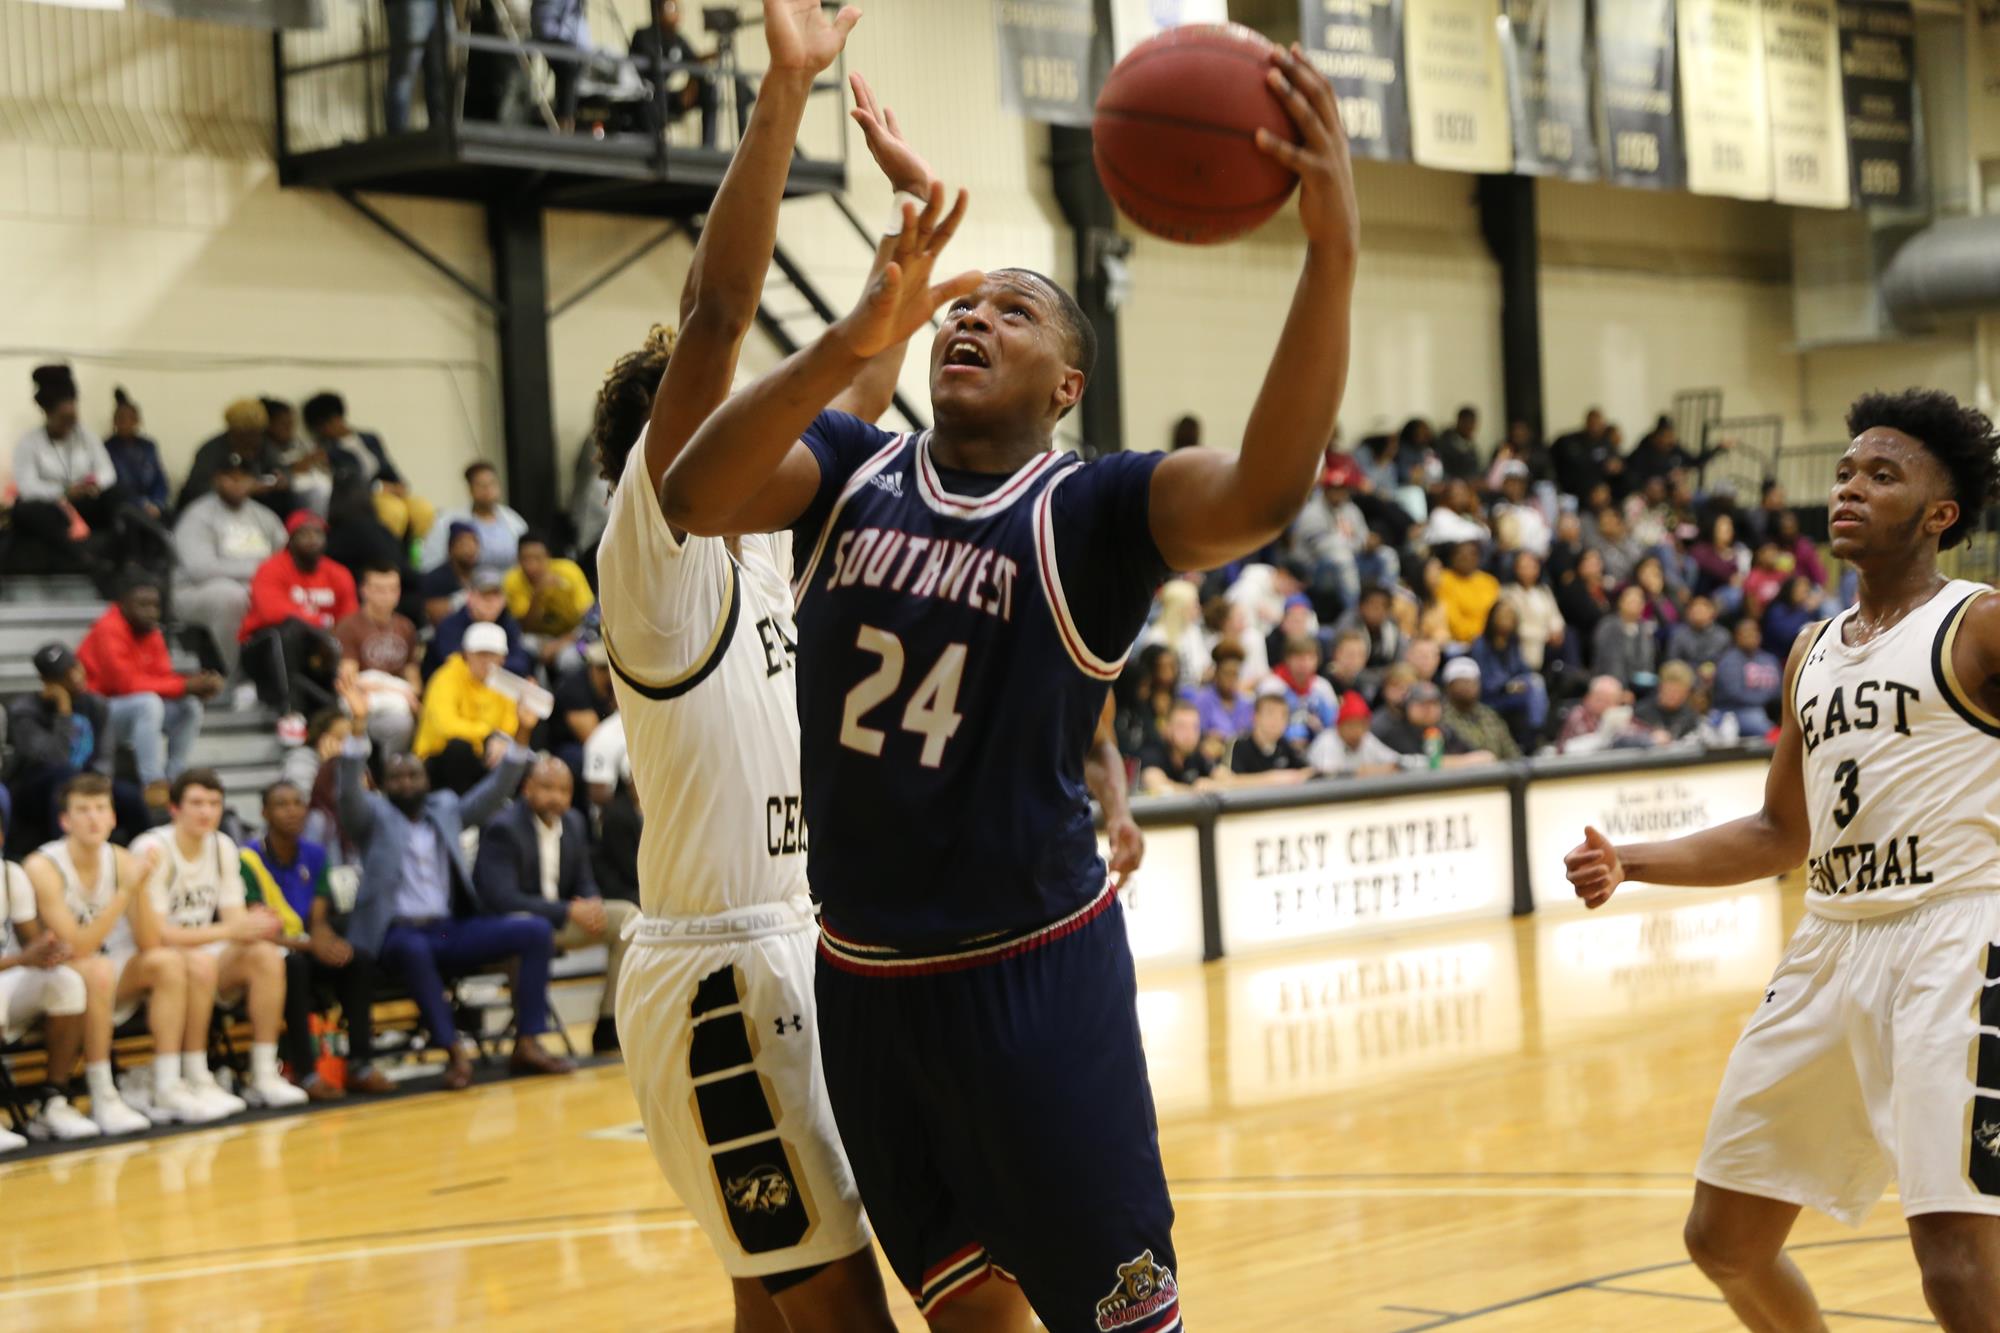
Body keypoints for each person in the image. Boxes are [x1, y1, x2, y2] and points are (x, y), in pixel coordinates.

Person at [646, 0, 1317, 1313]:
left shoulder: (1091, 506)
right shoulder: (851, 467)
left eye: (1016, 313)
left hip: (1030, 971)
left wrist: (1330, 248)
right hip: (863, 981)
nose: (976, 321)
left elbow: (1252, 498)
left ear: (1068, 387)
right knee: (966, 1314)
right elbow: (691, 489)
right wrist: (860, 331)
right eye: (966, 307)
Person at [1562, 389, 2000, 1333]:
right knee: (1724, 1239)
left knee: (1957, 1268)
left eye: (1882, 475)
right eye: (1844, 472)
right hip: (1829, 943)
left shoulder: (1980, 624)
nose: (1849, 488)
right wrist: (1630, 861)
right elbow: (1777, 833)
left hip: (1956, 943)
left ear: (1941, 513)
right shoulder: (1811, 650)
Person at [333, 730, 567, 1088]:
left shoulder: (444, 808)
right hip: (397, 933)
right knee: (414, 949)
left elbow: (492, 794)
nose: (406, 783)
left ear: (427, 780)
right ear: (383, 784)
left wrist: (521, 738)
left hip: (446, 930)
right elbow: (349, 794)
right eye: (396, 777)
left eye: (413, 775)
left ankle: (528, 1042)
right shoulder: (373, 818)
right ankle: (455, 1052)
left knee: (536, 930)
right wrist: (357, 729)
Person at [25, 774, 221, 1125]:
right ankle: (103, 1093)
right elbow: (78, 948)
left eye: (101, 808)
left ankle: (167, 1085)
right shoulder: (43, 867)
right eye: (83, 810)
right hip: (55, 972)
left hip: (108, 969)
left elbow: (148, 942)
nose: (94, 818)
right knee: (97, 970)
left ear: (113, 818)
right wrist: (125, 891)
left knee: (167, 962)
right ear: (65, 821)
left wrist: (140, 888)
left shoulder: (120, 859)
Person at [132, 770, 307, 1111]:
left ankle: (264, 1074)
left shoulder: (222, 845)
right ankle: (192, 1076)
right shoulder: (152, 848)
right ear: (174, 809)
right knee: (196, 962)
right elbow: (156, 936)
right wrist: (233, 931)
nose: (206, 811)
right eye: (197, 803)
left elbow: (235, 921)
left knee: (266, 955)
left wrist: (258, 924)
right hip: (144, 958)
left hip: (194, 953)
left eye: (214, 804)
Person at [472, 757, 638, 1055]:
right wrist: (567, 911)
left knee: (628, 918)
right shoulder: (503, 828)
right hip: (514, 926)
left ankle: (608, 1023)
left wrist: (591, 903)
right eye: (547, 788)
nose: (556, 797)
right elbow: (502, 899)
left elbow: (584, 879)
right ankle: (529, 1038)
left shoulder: (574, 822)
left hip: (557, 921)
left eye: (564, 790)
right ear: (527, 788)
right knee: (531, 929)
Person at [241, 780, 394, 1101]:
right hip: (266, 952)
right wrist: (314, 946)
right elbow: (258, 928)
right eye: (282, 804)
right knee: (295, 967)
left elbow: (318, 919)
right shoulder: (248, 859)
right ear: (264, 812)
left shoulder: (315, 854)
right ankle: (306, 1072)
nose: (292, 811)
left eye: (298, 803)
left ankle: (360, 1065)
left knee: (356, 959)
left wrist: (328, 944)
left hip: (304, 943)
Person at [0, 796, 124, 1144]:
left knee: (66, 982)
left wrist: (50, 950)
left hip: (7, 982)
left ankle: (53, 1100)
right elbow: (22, 958)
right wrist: (23, 959)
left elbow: (32, 945)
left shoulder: (10, 875)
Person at [78, 577, 224, 809]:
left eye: (155, 605)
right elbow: (124, 684)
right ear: (124, 604)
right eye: (143, 605)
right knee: (149, 703)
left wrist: (196, 686)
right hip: (99, 714)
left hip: (132, 710)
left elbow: (163, 677)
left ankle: (174, 778)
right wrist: (185, 685)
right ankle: (153, 782)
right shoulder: (108, 629)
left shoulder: (151, 632)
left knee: (189, 705)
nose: (151, 612)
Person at [240, 511, 358, 735]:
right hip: (261, 651)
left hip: (314, 649)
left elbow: (349, 620)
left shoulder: (339, 573)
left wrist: (325, 634)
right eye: (305, 534)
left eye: (318, 534)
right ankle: (289, 712)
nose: (313, 539)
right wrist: (321, 623)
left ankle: (338, 710)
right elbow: (272, 613)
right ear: (291, 539)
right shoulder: (271, 568)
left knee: (338, 643)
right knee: (287, 631)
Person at [173, 451, 288, 677]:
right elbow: (200, 569)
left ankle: (282, 677)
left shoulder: (264, 516)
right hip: (194, 590)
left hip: (254, 587)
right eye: (229, 477)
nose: (237, 484)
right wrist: (260, 572)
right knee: (231, 597)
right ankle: (241, 676)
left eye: (243, 477)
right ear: (217, 479)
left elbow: (286, 558)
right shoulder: (198, 515)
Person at [10, 365, 124, 579]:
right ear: (48, 413)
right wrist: (64, 492)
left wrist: (94, 485)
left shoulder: (86, 437)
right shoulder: (30, 443)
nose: (69, 425)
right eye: (63, 419)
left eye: (72, 418)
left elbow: (107, 471)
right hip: (54, 508)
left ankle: (129, 555)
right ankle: (80, 558)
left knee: (118, 494)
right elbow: (27, 487)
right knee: (26, 510)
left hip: (86, 502)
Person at [413, 621, 541, 794]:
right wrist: (488, 736)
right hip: (439, 759)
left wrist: (501, 741)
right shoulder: (445, 678)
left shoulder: (504, 684)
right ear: (466, 654)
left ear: (502, 658)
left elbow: (511, 724)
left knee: (520, 753)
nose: (486, 661)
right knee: (459, 747)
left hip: (485, 757)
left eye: (492, 655)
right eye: (480, 655)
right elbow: (445, 727)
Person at [302, 392, 434, 545]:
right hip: (366, 495)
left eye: (326, 424)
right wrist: (379, 487)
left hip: (391, 489)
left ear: (336, 419)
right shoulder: (328, 450)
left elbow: (387, 464)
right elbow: (347, 481)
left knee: (424, 509)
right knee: (394, 512)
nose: (324, 431)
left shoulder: (369, 438)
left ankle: (415, 551)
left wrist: (399, 484)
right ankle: (392, 554)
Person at [334, 563, 425, 754]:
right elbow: (349, 680)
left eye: (393, 589)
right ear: (364, 590)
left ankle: (395, 766)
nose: (387, 595)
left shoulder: (406, 627)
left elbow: (414, 681)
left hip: (397, 703)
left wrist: (408, 694)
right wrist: (395, 688)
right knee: (394, 721)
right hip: (362, 703)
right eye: (379, 589)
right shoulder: (349, 626)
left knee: (410, 718)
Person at [630, 0, 726, 148]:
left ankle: (709, 145)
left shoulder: (678, 39)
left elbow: (694, 61)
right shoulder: (643, 35)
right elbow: (653, 67)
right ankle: (656, 145)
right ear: (658, 12)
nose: (677, 15)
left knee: (709, 88)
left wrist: (692, 82)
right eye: (672, 9)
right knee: (651, 96)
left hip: (669, 98)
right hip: (648, 96)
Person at [179, 399, 295, 518]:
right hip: (215, 510)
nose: (252, 440)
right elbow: (197, 488)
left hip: (254, 508)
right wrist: (228, 487)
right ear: (233, 431)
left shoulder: (264, 446)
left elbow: (284, 472)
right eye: (246, 434)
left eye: (256, 433)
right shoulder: (211, 450)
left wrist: (279, 480)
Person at [504, 532, 595, 672]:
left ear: (548, 557)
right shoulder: (512, 581)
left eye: (538, 558)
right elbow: (524, 627)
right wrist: (537, 595)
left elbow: (589, 618)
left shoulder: (569, 571)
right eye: (526, 559)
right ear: (518, 560)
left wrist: (559, 644)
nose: (532, 565)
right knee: (524, 646)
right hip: (539, 636)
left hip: (573, 635)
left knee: (568, 659)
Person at [424, 567, 535, 680]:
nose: (490, 602)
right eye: (484, 595)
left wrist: (488, 665)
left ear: (503, 600)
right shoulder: (450, 626)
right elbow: (455, 661)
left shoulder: (509, 624)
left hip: (495, 684)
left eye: (496, 595)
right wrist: (495, 663)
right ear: (470, 597)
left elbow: (520, 662)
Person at [422, 462, 528, 573]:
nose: (488, 490)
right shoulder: (447, 521)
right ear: (470, 489)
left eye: (492, 483)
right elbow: (431, 562)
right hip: (464, 583)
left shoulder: (513, 520)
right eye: (481, 485)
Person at [1469, 601, 1549, 749]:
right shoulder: (1480, 644)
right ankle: (1536, 732)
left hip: (1511, 694)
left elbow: (1524, 669)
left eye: (1510, 616)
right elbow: (1484, 682)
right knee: (1533, 688)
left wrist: (1520, 682)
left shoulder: (1513, 644)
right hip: (1490, 697)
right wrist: (1508, 686)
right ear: (1492, 618)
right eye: (1502, 616)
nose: (1506, 620)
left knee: (1536, 682)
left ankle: (1535, 734)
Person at [547, 641, 618, 787]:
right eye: (603, 668)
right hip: (567, 748)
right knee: (585, 759)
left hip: (604, 742)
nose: (609, 675)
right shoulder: (574, 689)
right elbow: (596, 741)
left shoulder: (616, 688)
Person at [1373, 681, 1489, 767]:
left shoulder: (1446, 732)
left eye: (1434, 703)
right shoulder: (1393, 734)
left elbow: (1481, 756)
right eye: (1422, 704)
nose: (1428, 709)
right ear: (1407, 707)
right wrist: (1462, 762)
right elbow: (1410, 765)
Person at [1712, 615, 1782, 738]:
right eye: (1746, 633)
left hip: (1769, 709)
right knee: (1756, 718)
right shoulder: (1728, 661)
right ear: (1737, 637)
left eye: (1754, 632)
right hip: (1734, 711)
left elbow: (1780, 690)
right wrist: (1765, 699)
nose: (1751, 636)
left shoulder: (1770, 659)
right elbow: (1735, 694)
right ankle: (1775, 736)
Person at [104, 387, 168, 521]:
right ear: (114, 421)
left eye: (130, 419)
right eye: (121, 419)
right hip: (124, 508)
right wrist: (141, 504)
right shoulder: (107, 448)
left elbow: (160, 481)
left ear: (137, 421)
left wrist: (157, 503)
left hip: (153, 506)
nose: (125, 423)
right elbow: (112, 486)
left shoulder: (148, 447)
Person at [1225, 689, 1315, 784]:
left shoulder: (1283, 744)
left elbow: (1306, 770)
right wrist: (1276, 778)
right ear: (1255, 716)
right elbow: (1228, 780)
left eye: (1283, 715)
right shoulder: (1238, 745)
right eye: (1270, 713)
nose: (1277, 720)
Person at [1439, 657, 1520, 760]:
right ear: (1449, 686)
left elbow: (1511, 751)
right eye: (1462, 682)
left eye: (1472, 682)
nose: (1468, 687)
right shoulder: (1439, 717)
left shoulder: (1489, 715)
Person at [1499, 550, 1565, 671]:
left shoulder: (1544, 590)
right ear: (1515, 569)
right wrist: (1544, 635)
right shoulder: (1507, 593)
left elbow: (1555, 615)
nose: (1528, 571)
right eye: (1524, 567)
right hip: (1525, 641)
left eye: (1532, 567)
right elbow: (1512, 626)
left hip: (1550, 641)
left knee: (1570, 636)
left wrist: (1556, 630)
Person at [1306, 691, 1398, 776]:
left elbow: (1398, 761)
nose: (1357, 730)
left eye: (1361, 725)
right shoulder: (1327, 741)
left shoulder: (1367, 739)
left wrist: (1381, 768)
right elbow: (1327, 775)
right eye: (1351, 725)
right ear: (1339, 726)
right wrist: (1360, 772)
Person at [1138, 699, 1215, 794]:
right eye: (1182, 726)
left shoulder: (1197, 754)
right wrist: (1196, 790)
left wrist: (1213, 785)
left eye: (1194, 727)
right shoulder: (1152, 752)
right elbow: (1157, 786)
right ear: (1167, 728)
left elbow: (1226, 777)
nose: (1189, 734)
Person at [1593, 584, 1659, 692]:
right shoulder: (1608, 626)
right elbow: (1611, 663)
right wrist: (1623, 690)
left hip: (1640, 688)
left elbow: (1648, 664)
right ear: (1621, 602)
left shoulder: (1645, 629)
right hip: (1609, 686)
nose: (1635, 603)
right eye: (1631, 599)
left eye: (1639, 600)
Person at [1188, 640, 1254, 746]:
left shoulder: (1246, 704)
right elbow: (1194, 735)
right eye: (1227, 674)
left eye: (1235, 674)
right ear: (1216, 674)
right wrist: (1206, 737)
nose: (1231, 679)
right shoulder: (1201, 701)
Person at [1435, 540, 1499, 645]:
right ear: (1452, 558)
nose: (1466, 559)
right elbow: (1453, 621)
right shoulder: (1444, 581)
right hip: (1458, 642)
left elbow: (1496, 616)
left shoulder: (1490, 582)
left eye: (1471, 555)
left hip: (1490, 639)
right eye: (1461, 555)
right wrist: (1478, 635)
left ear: (1478, 558)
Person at [422, 521, 482, 625]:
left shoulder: (481, 576)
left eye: (474, 543)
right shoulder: (435, 578)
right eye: (464, 544)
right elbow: (435, 616)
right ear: (451, 548)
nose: (471, 548)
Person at [1667, 593, 1732, 679]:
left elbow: (1728, 663)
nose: (1698, 613)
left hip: (1716, 678)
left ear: (1712, 612)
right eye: (1694, 610)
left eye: (1701, 610)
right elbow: (1672, 661)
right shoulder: (1678, 634)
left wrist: (1712, 670)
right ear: (1688, 613)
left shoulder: (1723, 635)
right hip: (1686, 677)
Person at [1634, 659, 1701, 743]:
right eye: (1670, 691)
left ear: (1686, 693)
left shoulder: (1690, 718)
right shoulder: (1641, 713)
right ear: (1661, 687)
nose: (1674, 696)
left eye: (1678, 692)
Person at [1433, 405, 1481, 483]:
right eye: (1468, 423)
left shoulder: (1468, 442)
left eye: (1473, 423)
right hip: (1452, 483)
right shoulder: (1447, 441)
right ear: (1460, 422)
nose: (1472, 427)